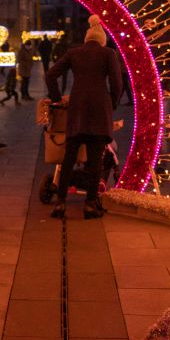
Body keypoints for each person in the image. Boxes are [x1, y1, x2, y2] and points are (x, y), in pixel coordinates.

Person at [45, 15, 123, 219]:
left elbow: (51, 74)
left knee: (69, 157)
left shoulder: (74, 53)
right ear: (102, 39)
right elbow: (117, 83)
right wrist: (112, 103)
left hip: (77, 109)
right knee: (95, 159)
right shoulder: (108, 54)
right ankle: (89, 204)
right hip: (99, 110)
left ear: (87, 39)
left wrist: (56, 98)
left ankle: (61, 203)